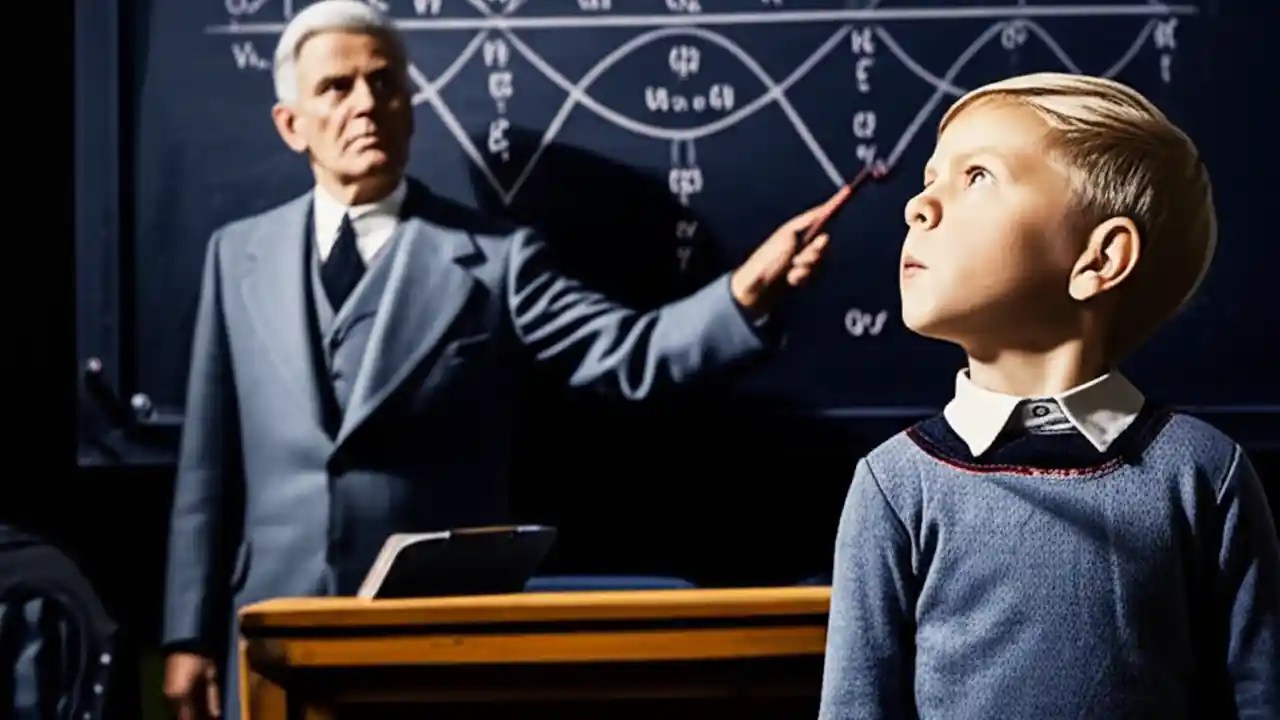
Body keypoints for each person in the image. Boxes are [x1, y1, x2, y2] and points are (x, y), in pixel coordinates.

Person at [161, 1, 837, 718]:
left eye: (385, 82)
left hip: (434, 635)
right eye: (336, 87)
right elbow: (206, 470)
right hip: (270, 637)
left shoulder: (495, 260)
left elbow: (627, 352)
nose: (366, 104)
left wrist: (744, 293)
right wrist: (186, 635)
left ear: (410, 108)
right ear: (291, 124)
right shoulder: (238, 255)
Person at [817, 71, 1279, 719]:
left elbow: (1259, 696)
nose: (916, 206)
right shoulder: (895, 485)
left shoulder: (1203, 473)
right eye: (929, 180)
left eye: (978, 176)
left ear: (1100, 259)